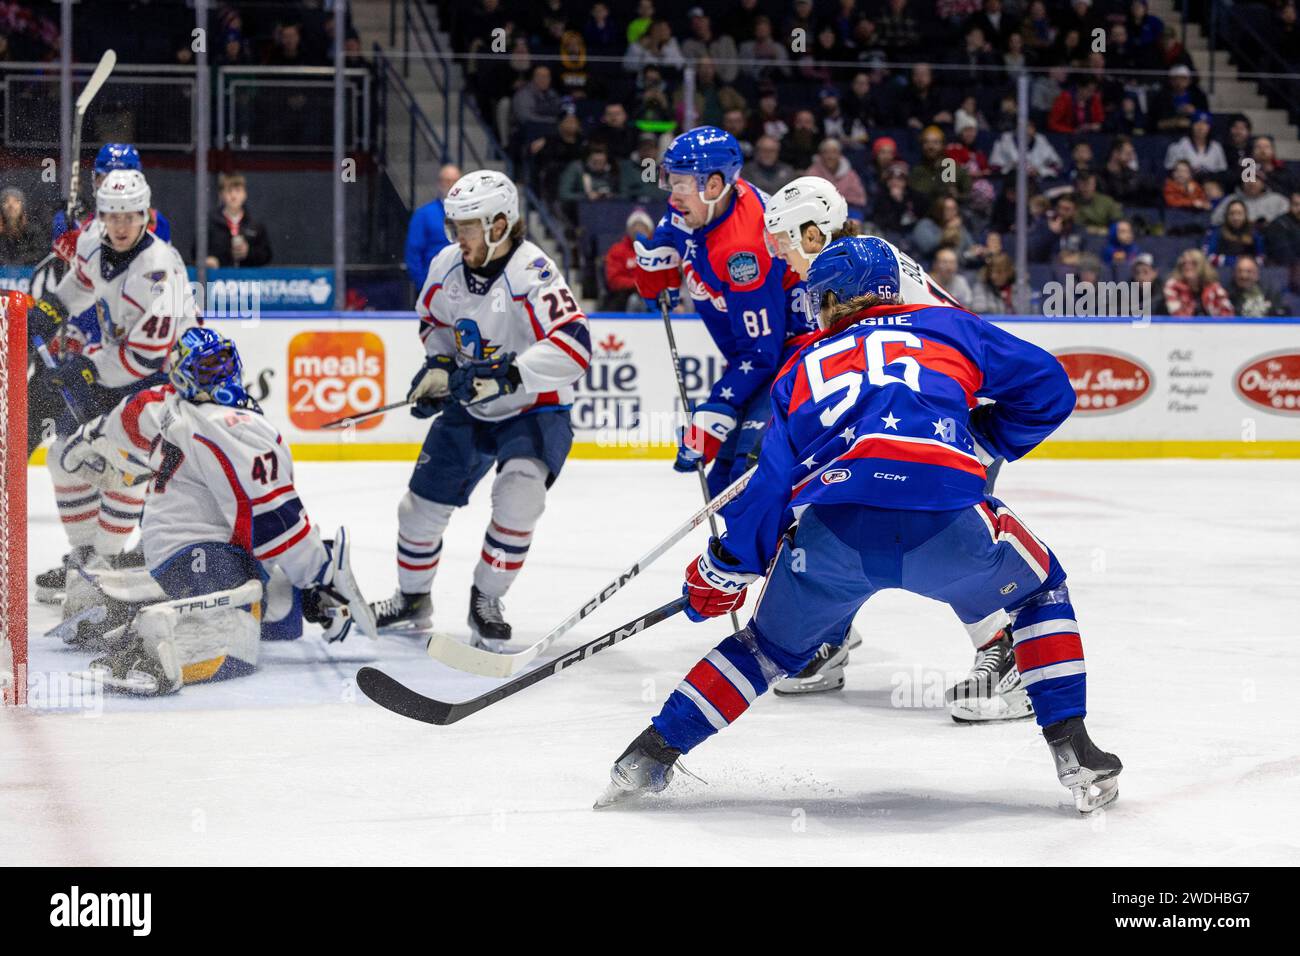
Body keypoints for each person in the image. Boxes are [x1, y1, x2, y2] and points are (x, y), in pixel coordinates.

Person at [598, 235, 1122, 813]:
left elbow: (771, 486)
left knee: (764, 648)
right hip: (947, 521)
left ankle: (649, 754)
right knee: (1040, 591)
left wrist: (722, 570)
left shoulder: (800, 367)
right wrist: (987, 437)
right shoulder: (949, 327)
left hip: (835, 535)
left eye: (819, 300)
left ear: (834, 302)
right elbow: (1050, 388)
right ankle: (1072, 747)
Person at [56, 328, 376, 693]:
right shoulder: (231, 423)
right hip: (200, 551)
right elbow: (272, 521)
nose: (219, 375)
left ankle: (112, 601)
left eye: (222, 363)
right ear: (183, 376)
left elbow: (123, 422)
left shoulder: (161, 402)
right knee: (233, 643)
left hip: (180, 551)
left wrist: (87, 440)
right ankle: (147, 654)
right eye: (206, 368)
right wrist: (319, 575)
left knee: (283, 618)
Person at [371, 171, 590, 647]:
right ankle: (413, 600)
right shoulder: (447, 265)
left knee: (520, 498)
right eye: (455, 225)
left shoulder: (532, 272)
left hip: (534, 408)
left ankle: (486, 598)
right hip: (471, 406)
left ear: (498, 224)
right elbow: (434, 322)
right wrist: (440, 366)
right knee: (417, 510)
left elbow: (575, 346)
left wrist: (510, 374)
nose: (457, 236)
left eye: (466, 226)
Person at [27, 169, 200, 605]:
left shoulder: (160, 269)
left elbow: (145, 357)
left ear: (146, 215)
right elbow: (81, 286)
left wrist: (84, 370)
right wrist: (51, 310)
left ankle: (106, 562)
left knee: (124, 465)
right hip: (117, 364)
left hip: (169, 377)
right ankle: (85, 557)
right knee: (63, 456)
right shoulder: (92, 241)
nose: (121, 226)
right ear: (101, 214)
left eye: (130, 216)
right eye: (112, 216)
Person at [633, 127, 810, 501]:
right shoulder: (694, 203)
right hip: (761, 353)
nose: (672, 194)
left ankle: (782, 555)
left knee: (749, 471)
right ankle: (742, 557)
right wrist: (658, 258)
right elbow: (673, 229)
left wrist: (717, 409)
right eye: (671, 181)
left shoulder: (743, 251)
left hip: (792, 354)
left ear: (714, 186)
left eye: (681, 184)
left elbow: (761, 353)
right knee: (721, 487)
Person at [404, 164, 462, 287]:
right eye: (447, 181)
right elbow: (413, 254)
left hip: (464, 285)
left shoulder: (469, 215)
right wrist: (425, 285)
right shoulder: (423, 214)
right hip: (433, 283)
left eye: (455, 181)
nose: (451, 185)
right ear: (439, 183)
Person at [203, 172, 273, 269]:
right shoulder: (210, 223)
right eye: (229, 191)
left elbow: (266, 256)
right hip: (218, 280)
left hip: (248, 280)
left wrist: (248, 252)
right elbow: (196, 253)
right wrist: (210, 260)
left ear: (245, 194)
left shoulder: (255, 224)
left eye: (238, 190)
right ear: (221, 195)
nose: (233, 196)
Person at [602, 208, 655, 311]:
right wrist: (636, 283)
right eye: (634, 226)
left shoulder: (658, 249)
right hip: (625, 296)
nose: (638, 230)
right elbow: (613, 280)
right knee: (634, 300)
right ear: (628, 230)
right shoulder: (617, 250)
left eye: (642, 226)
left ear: (649, 230)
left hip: (654, 294)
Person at [1163, 248, 1233, 316]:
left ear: (1202, 266)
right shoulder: (1173, 287)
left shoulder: (1215, 288)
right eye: (1184, 263)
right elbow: (1178, 317)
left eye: (1193, 263)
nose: (1187, 266)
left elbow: (1228, 315)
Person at [1204, 199, 1265, 267]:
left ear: (1245, 215)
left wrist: (1225, 259)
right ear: (1226, 215)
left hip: (1248, 271)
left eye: (1239, 213)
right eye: (1232, 213)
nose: (1236, 217)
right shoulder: (1217, 233)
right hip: (1222, 271)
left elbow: (1261, 258)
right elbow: (1209, 257)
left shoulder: (1254, 233)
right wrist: (1236, 261)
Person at [0, 186, 43, 264]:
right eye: (6, 201)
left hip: (28, 274)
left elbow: (40, 253)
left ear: (22, 206)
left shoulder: (33, 231)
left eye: (16, 201)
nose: (11, 206)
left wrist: (21, 261)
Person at [1264, 191, 1300, 265]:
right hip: (1284, 270)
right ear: (1289, 205)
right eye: (1296, 204)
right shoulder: (1279, 224)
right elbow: (1284, 254)